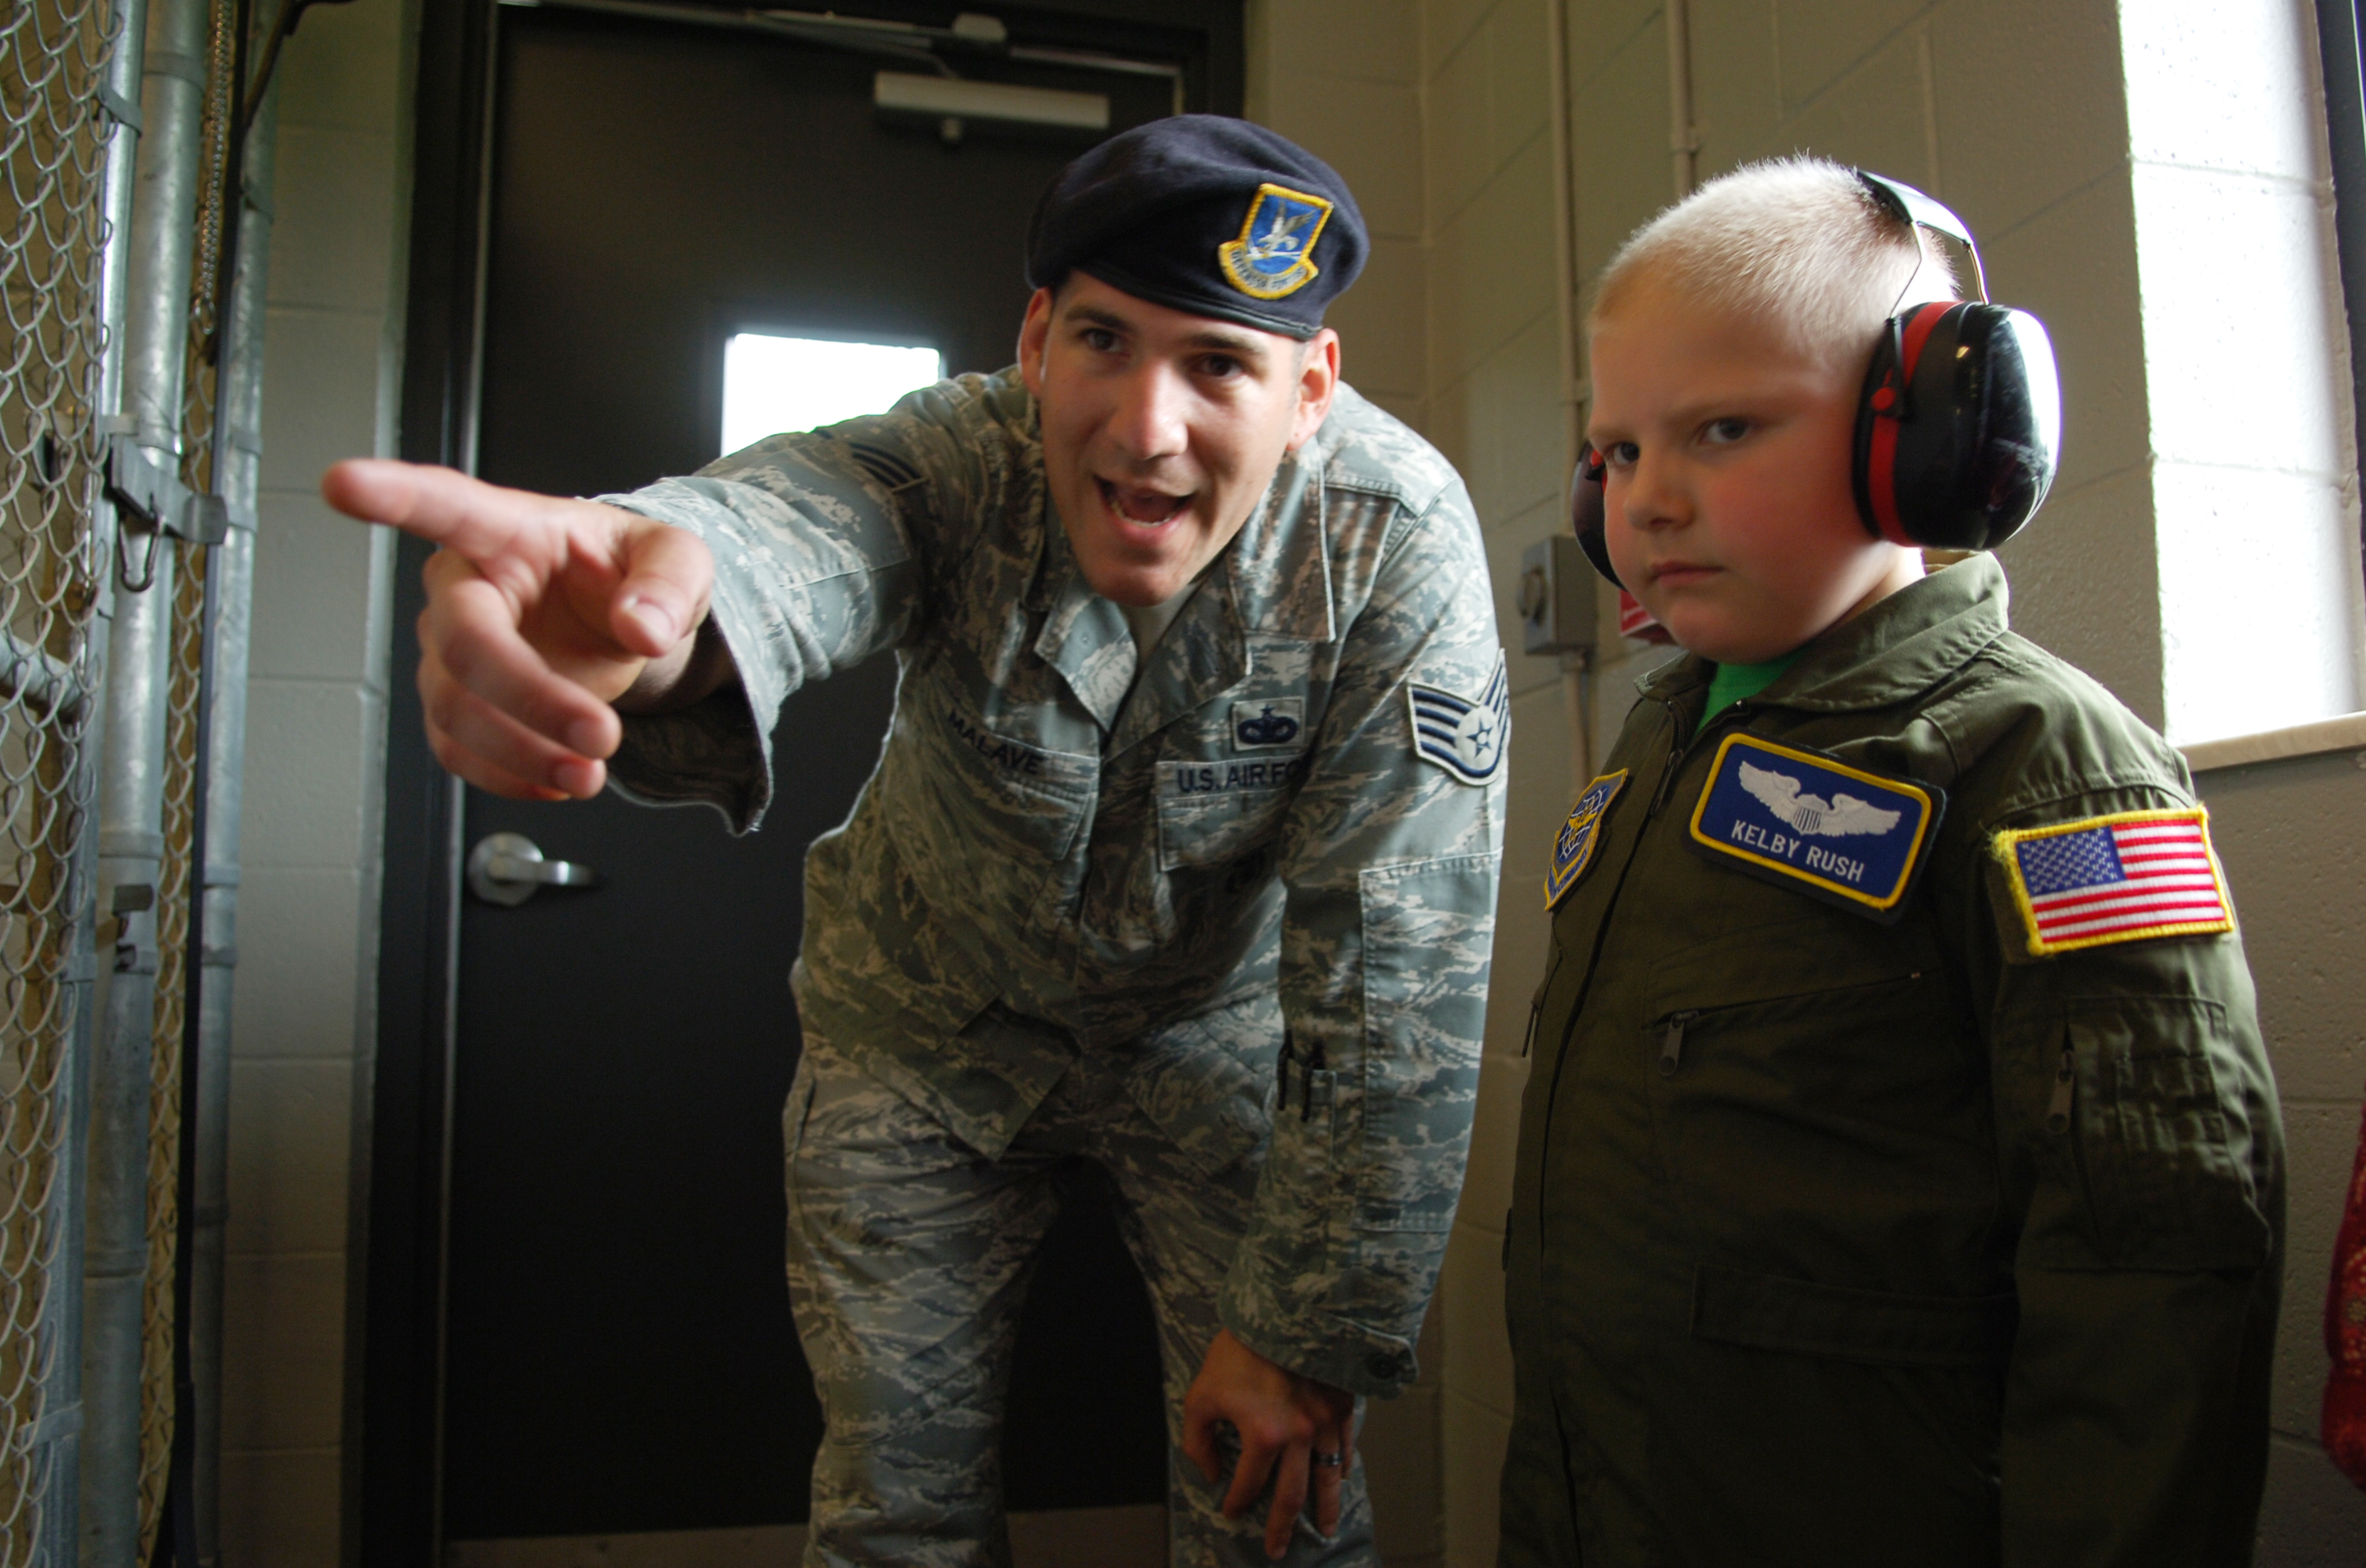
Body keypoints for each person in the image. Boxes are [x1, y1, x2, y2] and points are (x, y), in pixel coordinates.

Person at [325, 116, 1506, 1567]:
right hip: (925, 1032)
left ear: (1311, 387)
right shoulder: (961, 456)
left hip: (1222, 1053)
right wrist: (651, 605)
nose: (1147, 427)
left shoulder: (1391, 536)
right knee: (899, 1516)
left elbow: (1396, 949)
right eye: (1102, 342)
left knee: (1281, 1515)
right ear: (1034, 339)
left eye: (1219, 364)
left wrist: (1311, 1328)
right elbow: (788, 526)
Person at [1500, 158, 2284, 1566]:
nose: (1649, 501)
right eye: (1617, 453)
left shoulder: (2041, 766)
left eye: (1723, 429)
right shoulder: (1663, 733)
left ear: (1927, 441)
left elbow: (2152, 1270)